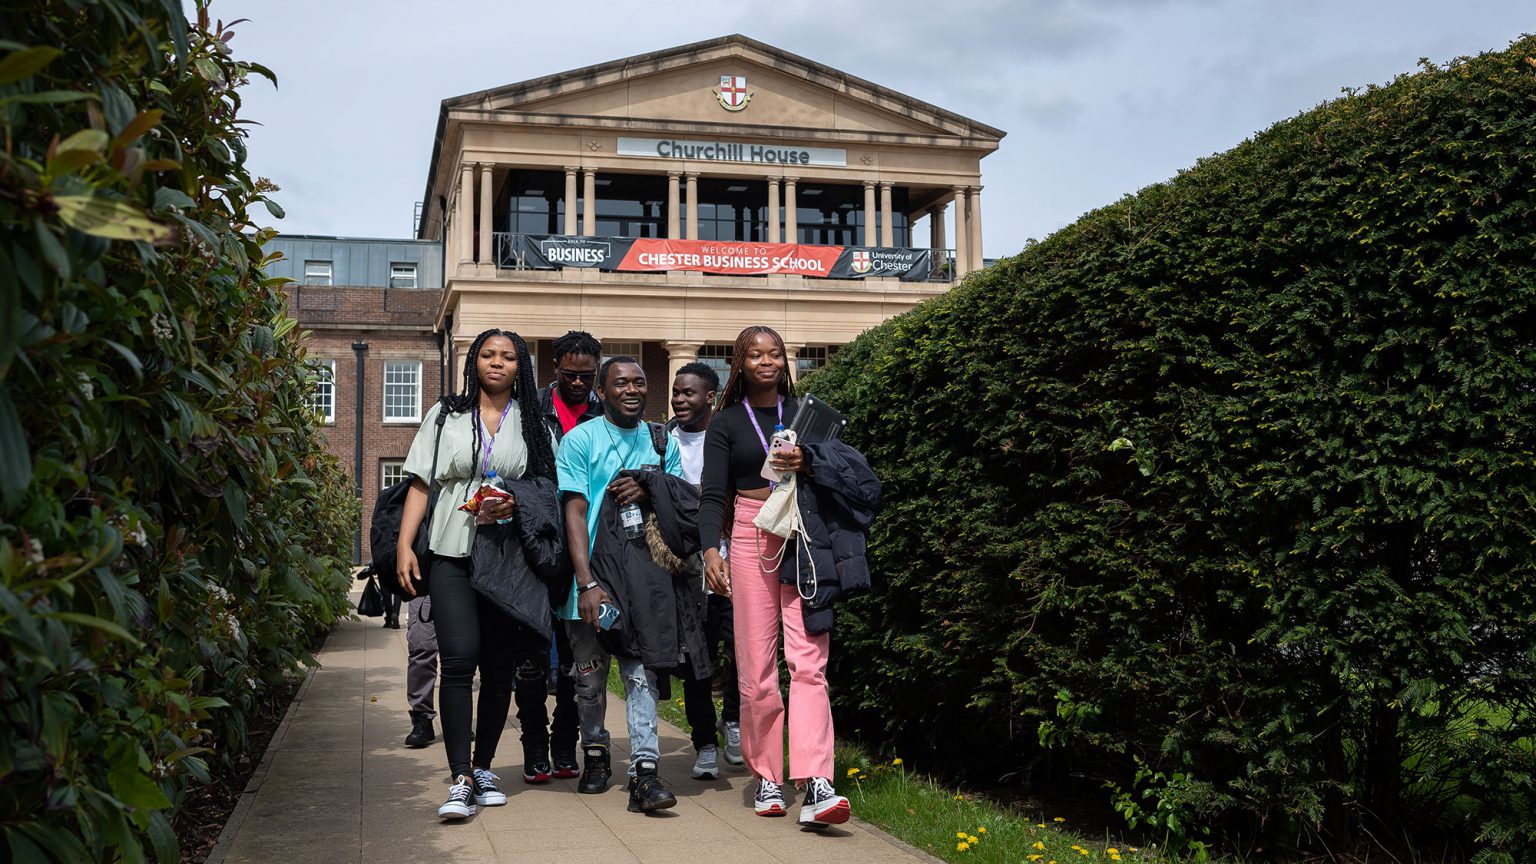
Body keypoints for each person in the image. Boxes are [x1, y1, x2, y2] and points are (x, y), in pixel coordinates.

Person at [395, 328, 561, 820]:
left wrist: (519, 498)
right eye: (488, 354)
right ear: (474, 361)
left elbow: (548, 489)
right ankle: (460, 776)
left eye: (508, 357)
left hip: (507, 560)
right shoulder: (446, 414)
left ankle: (484, 766)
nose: (497, 363)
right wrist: (406, 543)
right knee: (459, 658)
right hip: (450, 552)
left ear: (520, 366)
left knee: (499, 667)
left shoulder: (536, 423)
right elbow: (421, 483)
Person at [698, 326, 850, 828]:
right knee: (757, 665)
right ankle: (767, 773)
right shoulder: (726, 424)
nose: (767, 361)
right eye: (755, 354)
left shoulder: (807, 415)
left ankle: (817, 781)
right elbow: (712, 494)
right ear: (738, 363)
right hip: (748, 534)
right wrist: (709, 550)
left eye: (776, 353)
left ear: (786, 361)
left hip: (803, 533)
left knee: (808, 660)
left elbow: (835, 468)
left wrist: (807, 458)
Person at [555, 355, 692, 813]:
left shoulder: (659, 441)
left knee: (641, 677)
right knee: (590, 682)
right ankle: (595, 753)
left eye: (638, 382)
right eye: (620, 383)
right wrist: (585, 583)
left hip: (645, 581)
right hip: (592, 580)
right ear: (602, 390)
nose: (632, 390)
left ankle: (646, 774)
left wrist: (651, 485)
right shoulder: (579, 441)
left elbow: (678, 502)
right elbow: (573, 512)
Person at [666, 362, 743, 778]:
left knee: (741, 652)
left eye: (689, 393)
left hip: (733, 562)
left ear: (709, 397)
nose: (679, 399)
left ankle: (732, 721)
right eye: (676, 392)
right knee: (696, 657)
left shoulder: (725, 437)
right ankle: (704, 743)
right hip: (686, 566)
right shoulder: (664, 441)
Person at [536, 329, 604, 780]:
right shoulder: (534, 408)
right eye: (570, 374)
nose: (579, 384)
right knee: (537, 653)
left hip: (586, 542)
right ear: (555, 366)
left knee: (575, 656)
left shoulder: (605, 411)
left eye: (587, 376)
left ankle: (565, 745)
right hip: (541, 541)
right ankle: (534, 747)